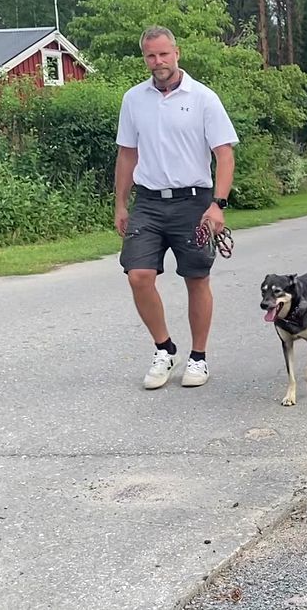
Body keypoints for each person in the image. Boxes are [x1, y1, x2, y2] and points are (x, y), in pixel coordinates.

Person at [114, 25, 239, 390]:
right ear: (145, 58)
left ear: (177, 52)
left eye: (164, 54)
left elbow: (224, 155)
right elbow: (126, 154)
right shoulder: (133, 100)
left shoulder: (203, 98)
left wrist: (218, 204)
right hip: (149, 202)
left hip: (194, 202)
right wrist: (120, 203)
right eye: (151, 56)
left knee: (196, 278)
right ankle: (164, 348)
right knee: (138, 275)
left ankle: (198, 358)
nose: (159, 62)